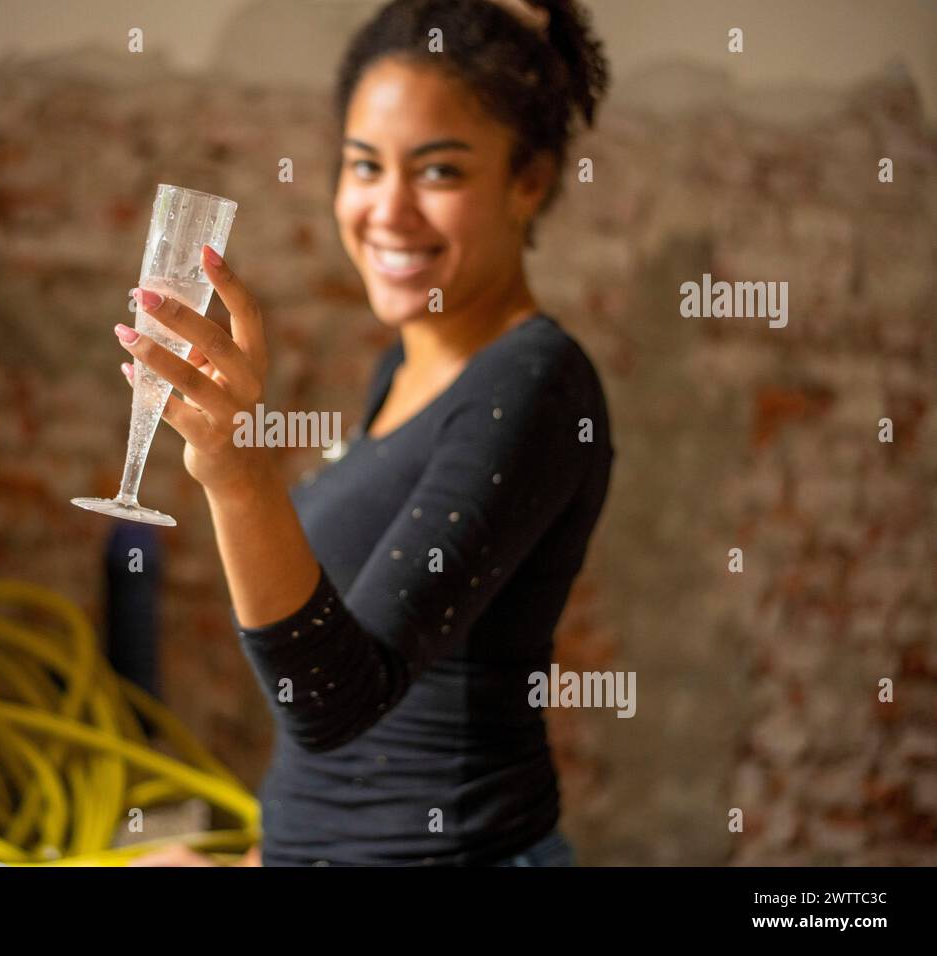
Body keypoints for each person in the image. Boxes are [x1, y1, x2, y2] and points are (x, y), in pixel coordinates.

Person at [123, 0, 611, 866]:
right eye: (363, 166)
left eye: (438, 172)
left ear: (527, 180)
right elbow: (343, 703)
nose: (388, 210)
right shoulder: (407, 369)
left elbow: (336, 701)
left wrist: (236, 474)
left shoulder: (533, 384)